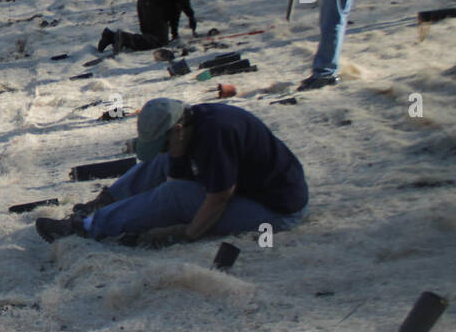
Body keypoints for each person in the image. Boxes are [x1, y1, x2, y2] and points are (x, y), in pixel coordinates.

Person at [35, 98, 308, 246]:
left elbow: (220, 196)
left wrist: (185, 233)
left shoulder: (216, 135)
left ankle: (86, 227)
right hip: (245, 190)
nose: (164, 148)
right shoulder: (188, 126)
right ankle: (102, 204)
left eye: (163, 142)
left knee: (177, 195)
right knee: (160, 164)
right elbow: (173, 173)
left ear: (177, 130)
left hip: (275, 212)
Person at [97, 0, 210, 53]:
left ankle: (111, 36)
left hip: (146, 1)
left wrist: (175, 34)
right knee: (159, 42)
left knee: (150, 39)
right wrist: (191, 15)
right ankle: (122, 37)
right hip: (153, 3)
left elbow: (177, 7)